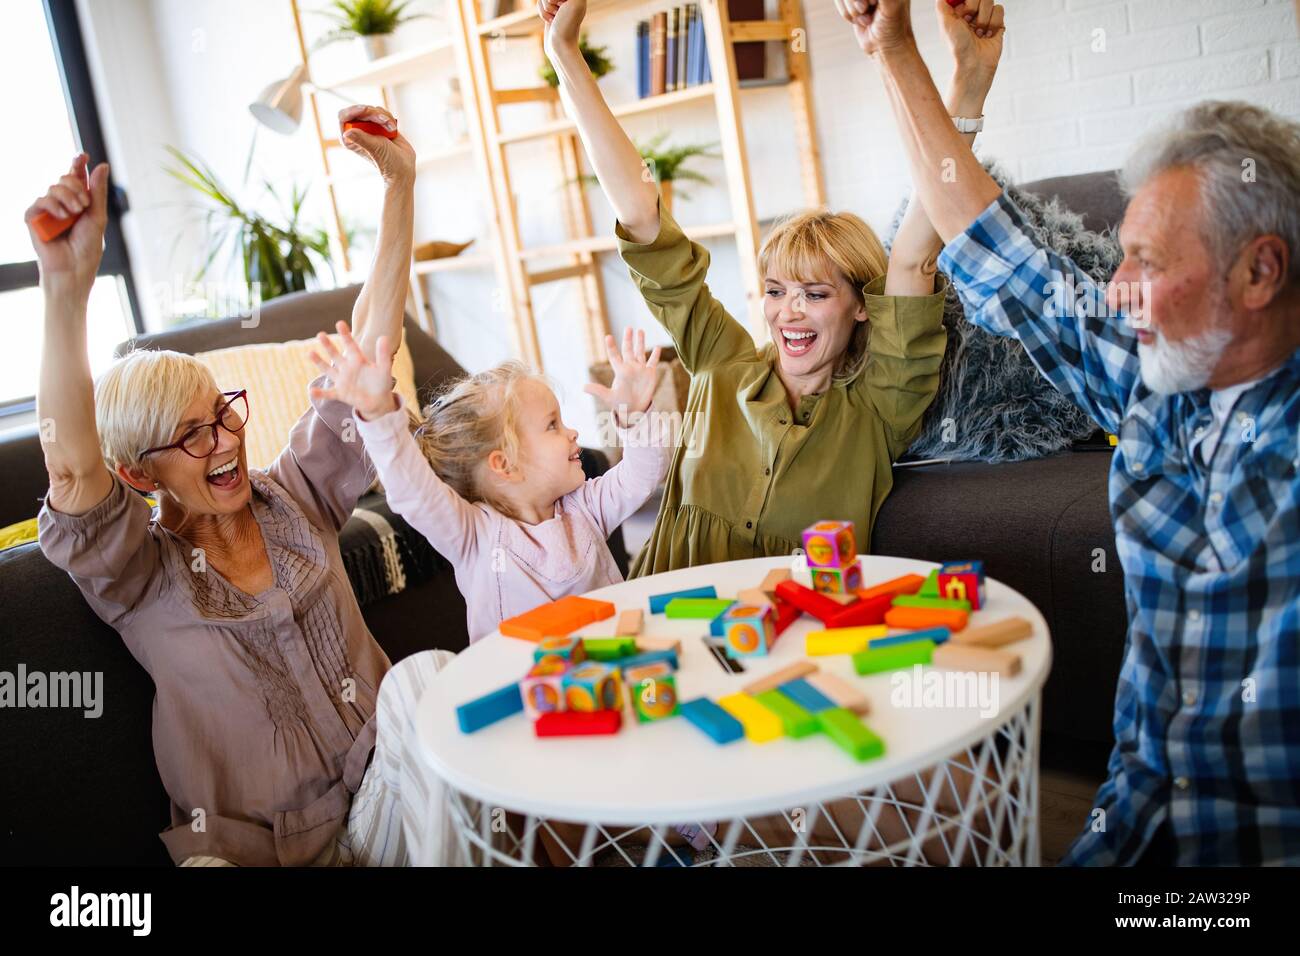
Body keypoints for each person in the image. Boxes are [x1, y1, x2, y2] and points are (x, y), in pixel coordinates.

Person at [836, 0, 1300, 864]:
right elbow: (992, 246)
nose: (1112, 288)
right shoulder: (1153, 378)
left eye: (1148, 261)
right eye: (1120, 252)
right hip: (1126, 826)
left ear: (1260, 271)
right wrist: (894, 50)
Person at [31, 105, 452, 866]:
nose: (225, 439)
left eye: (223, 413)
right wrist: (66, 292)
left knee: (428, 679)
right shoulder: (138, 577)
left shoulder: (296, 493)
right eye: (193, 435)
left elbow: (369, 354)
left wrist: (399, 185)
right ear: (136, 474)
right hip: (257, 853)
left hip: (387, 803)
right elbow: (69, 466)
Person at [535, 0, 1001, 576]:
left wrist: (969, 83)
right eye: (776, 290)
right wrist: (565, 55)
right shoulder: (721, 361)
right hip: (664, 632)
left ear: (862, 305)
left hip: (795, 644)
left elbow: (915, 249)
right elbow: (640, 211)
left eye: (816, 293)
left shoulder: (880, 405)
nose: (789, 313)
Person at [307, 324, 670, 643]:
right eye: (552, 425)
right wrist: (377, 416)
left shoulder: (585, 506)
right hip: (525, 692)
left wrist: (635, 412)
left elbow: (642, 475)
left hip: (610, 667)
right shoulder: (473, 536)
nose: (573, 432)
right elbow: (412, 491)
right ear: (505, 465)